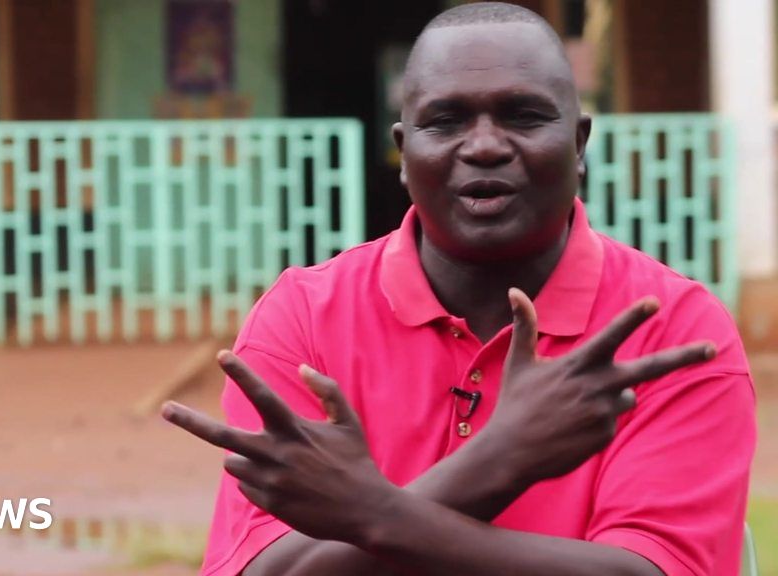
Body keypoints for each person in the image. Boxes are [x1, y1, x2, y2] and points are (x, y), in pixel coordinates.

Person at [162, 3, 756, 575]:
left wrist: (371, 513)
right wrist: (501, 458)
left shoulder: (674, 328)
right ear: (403, 151)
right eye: (445, 121)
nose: (484, 145)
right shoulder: (306, 318)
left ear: (579, 143)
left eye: (523, 115)